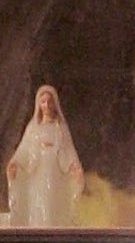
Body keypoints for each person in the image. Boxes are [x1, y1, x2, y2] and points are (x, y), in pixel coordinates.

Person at [6, 84, 83, 227]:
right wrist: (15, 163)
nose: (46, 105)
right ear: (39, 105)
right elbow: (24, 150)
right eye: (43, 102)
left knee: (54, 201)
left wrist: (74, 167)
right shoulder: (33, 129)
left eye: (49, 101)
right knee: (39, 203)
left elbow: (68, 150)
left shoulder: (60, 128)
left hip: (55, 171)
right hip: (38, 172)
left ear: (55, 104)